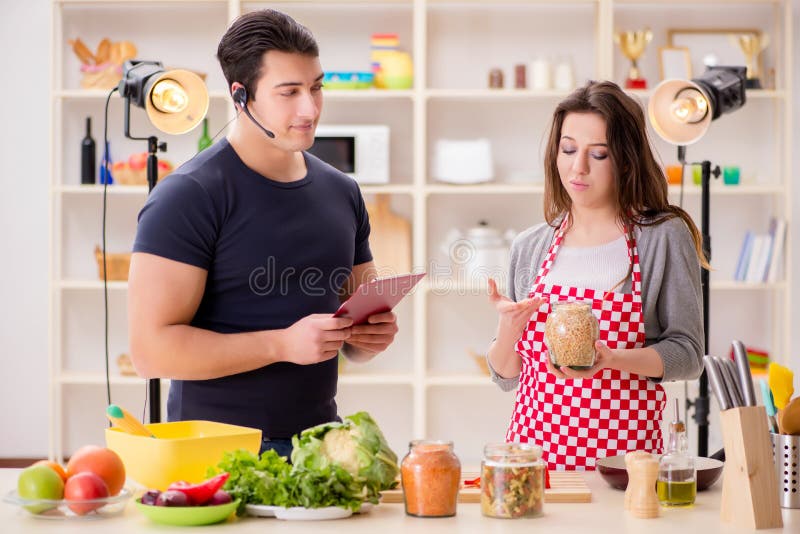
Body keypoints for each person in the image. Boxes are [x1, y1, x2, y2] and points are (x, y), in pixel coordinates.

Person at [127, 9, 398, 458]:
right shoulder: (189, 195)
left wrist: (369, 339)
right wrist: (281, 344)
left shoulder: (343, 191)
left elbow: (355, 334)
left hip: (321, 447)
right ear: (241, 96)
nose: (309, 109)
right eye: (288, 92)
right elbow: (150, 352)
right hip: (215, 455)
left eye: (315, 87)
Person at [486, 80, 705, 471]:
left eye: (598, 154)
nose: (578, 167)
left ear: (625, 159)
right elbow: (506, 378)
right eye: (568, 149)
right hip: (535, 467)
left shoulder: (661, 237)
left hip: (626, 468)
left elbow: (688, 355)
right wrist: (508, 329)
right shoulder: (530, 246)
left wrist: (611, 359)